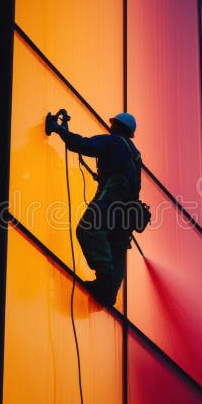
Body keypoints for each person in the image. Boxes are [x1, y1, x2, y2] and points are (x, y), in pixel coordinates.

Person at [46, 112, 142, 307]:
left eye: (113, 124)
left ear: (116, 126)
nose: (111, 127)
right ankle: (109, 292)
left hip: (113, 198)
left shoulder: (114, 142)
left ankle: (105, 277)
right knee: (116, 244)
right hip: (127, 209)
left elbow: (83, 145)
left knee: (88, 229)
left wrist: (59, 130)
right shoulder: (135, 153)